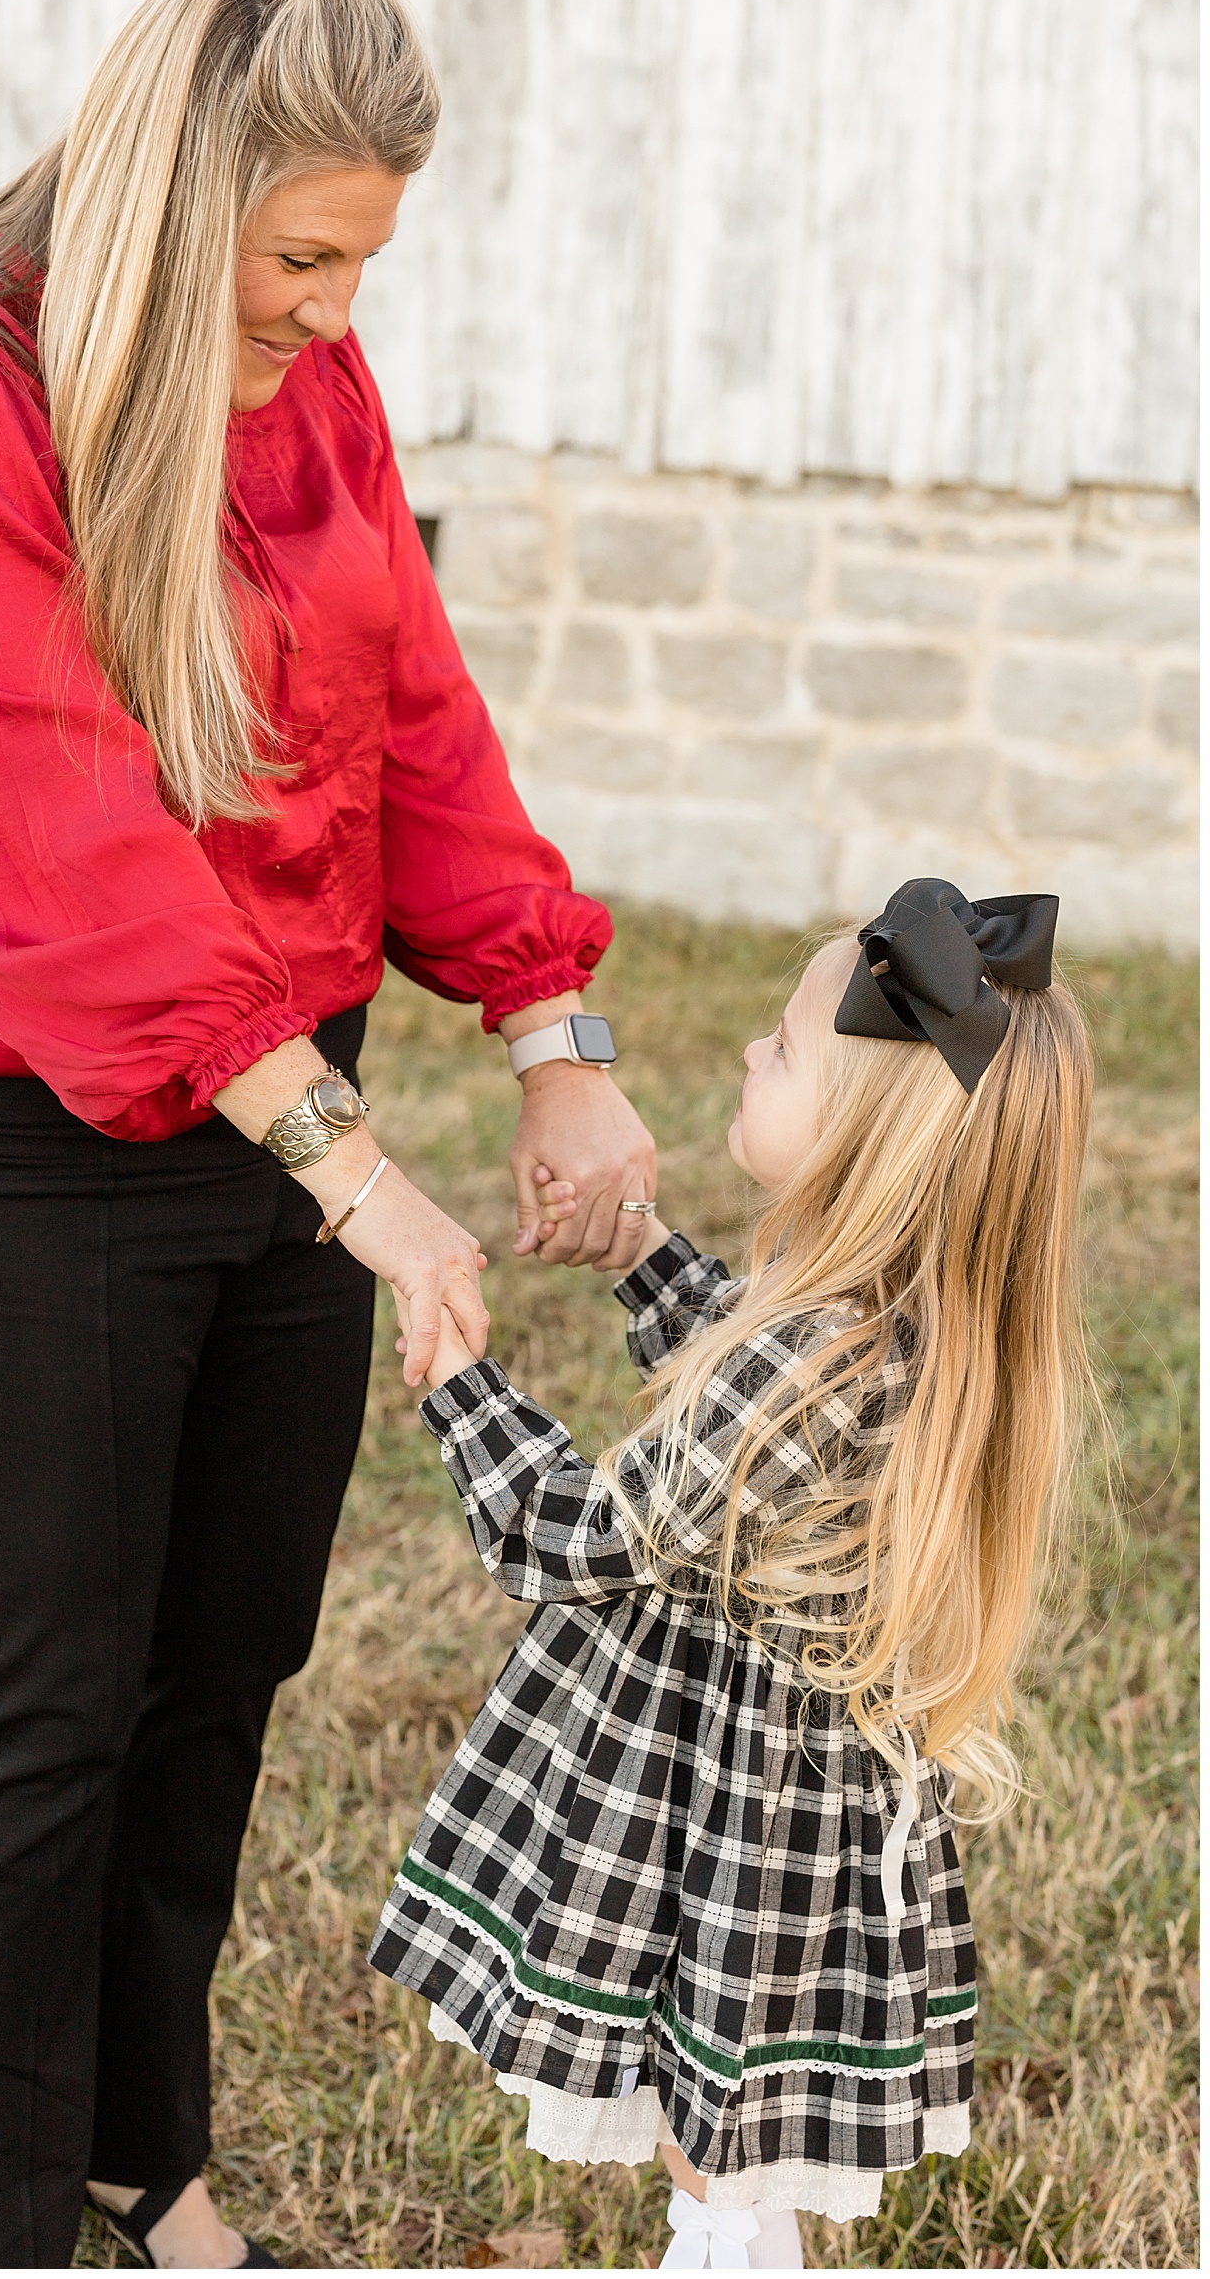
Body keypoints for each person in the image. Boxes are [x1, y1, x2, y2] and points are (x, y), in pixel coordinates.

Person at [0, 0, 657, 2274]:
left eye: (361, 261)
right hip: (5, 1117)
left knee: (224, 1658)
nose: (328, 308)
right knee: (57, 1678)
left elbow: (407, 718)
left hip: (281, 1098)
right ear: (173, 193)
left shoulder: (309, 380)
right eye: (296, 258)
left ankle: (134, 2150)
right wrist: (359, 1179)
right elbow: (55, 861)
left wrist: (543, 1034)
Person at [370, 880, 1094, 2269]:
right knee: (737, 2099)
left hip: (725, 1791)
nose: (751, 1056)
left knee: (717, 2109)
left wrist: (458, 1374)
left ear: (857, 1141)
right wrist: (642, 1249)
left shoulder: (808, 1349)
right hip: (804, 1782)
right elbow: (735, 1386)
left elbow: (577, 1536)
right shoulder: (888, 1314)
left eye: (779, 1048)